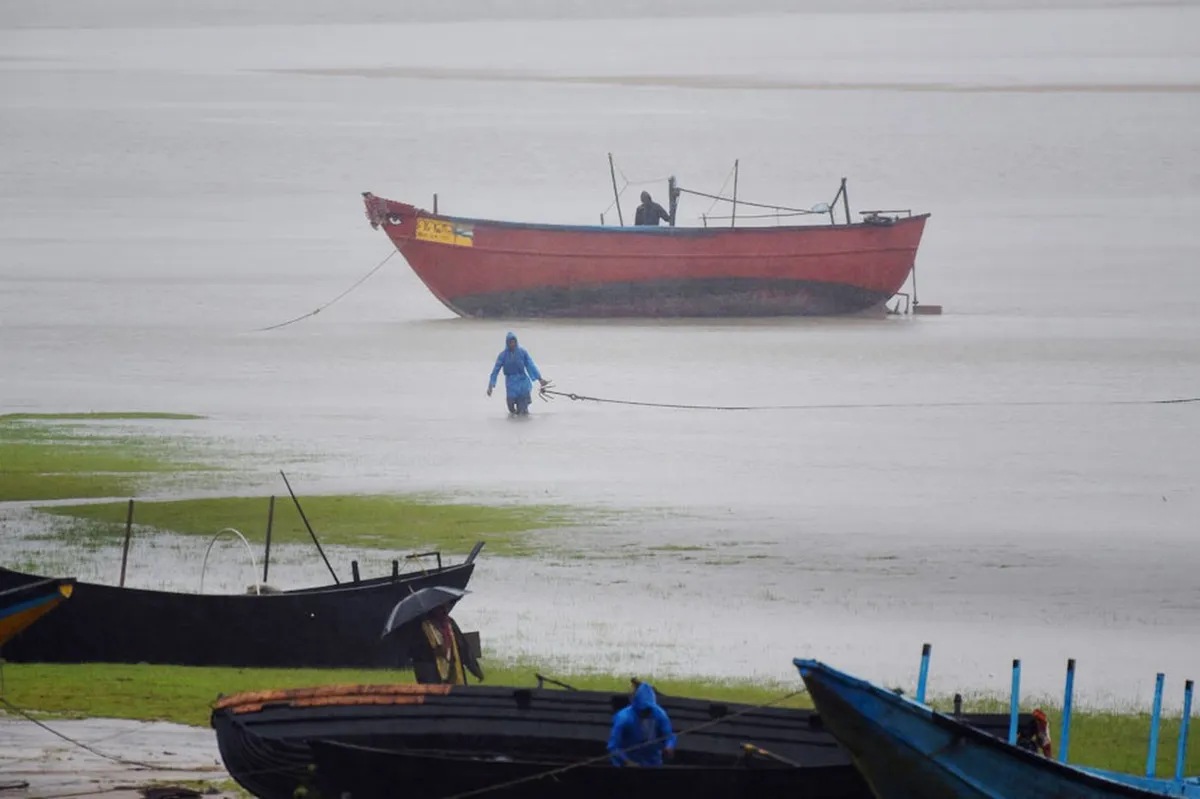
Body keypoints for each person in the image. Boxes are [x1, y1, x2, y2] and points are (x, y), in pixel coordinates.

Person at [407, 605, 484, 685]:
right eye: (440, 608)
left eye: (444, 606)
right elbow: (418, 656)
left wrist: (476, 671)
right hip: (432, 676)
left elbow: (463, 648)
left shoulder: (450, 623)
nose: (444, 610)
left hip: (453, 673)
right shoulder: (421, 626)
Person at [607, 681, 676, 767]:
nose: (646, 712)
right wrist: (626, 761)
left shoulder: (659, 714)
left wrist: (669, 746)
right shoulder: (623, 718)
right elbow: (613, 747)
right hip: (627, 763)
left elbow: (669, 736)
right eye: (643, 710)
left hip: (653, 762)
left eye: (649, 709)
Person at [487, 331, 547, 415]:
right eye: (510, 342)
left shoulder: (522, 353)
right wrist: (491, 385)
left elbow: (530, 365)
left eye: (514, 342)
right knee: (511, 407)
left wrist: (539, 378)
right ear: (507, 343)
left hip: (523, 383)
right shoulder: (503, 356)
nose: (512, 344)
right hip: (511, 383)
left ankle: (523, 423)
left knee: (522, 411)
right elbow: (495, 370)